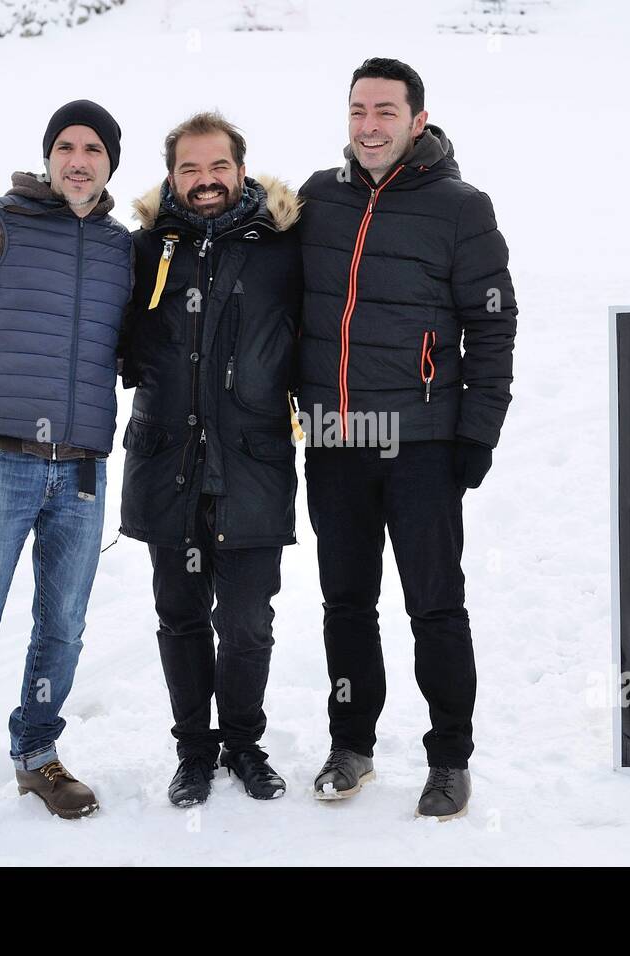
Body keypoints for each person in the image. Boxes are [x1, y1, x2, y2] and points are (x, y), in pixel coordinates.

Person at [297, 59, 517, 820]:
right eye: (358, 109)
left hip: (421, 441)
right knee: (346, 605)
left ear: (418, 121)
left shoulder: (461, 208)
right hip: (333, 436)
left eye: (386, 111)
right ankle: (351, 745)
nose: (370, 125)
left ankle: (450, 757)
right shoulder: (318, 197)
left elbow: (492, 324)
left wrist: (476, 433)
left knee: (435, 606)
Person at [0, 100, 132, 856]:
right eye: (66, 147)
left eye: (94, 148)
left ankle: (38, 756)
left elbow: (133, 350)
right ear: (48, 157)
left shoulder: (120, 247)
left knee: (64, 629)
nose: (79, 160)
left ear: (111, 162)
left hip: (78, 470)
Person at [118, 112, 302, 807]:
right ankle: (194, 751)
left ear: (241, 170)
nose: (204, 181)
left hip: (253, 464)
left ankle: (245, 744)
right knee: (181, 615)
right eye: (189, 169)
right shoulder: (142, 250)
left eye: (217, 166)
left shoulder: (285, 249)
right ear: (172, 177)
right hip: (167, 464)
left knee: (249, 620)